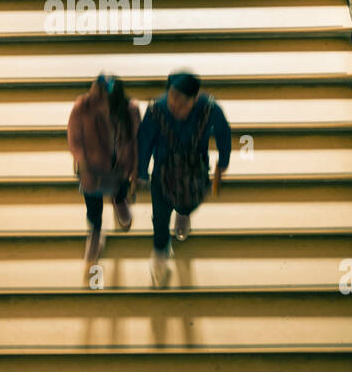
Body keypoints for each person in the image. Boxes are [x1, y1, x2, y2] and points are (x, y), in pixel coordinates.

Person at [136, 70, 231, 288]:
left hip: (195, 171)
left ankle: (183, 213)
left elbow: (224, 134)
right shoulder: (156, 109)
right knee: (159, 217)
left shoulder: (210, 108)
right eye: (172, 98)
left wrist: (222, 162)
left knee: (189, 203)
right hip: (163, 173)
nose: (174, 106)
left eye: (181, 103)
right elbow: (144, 142)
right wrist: (141, 172)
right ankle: (160, 253)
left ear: (194, 98)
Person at [67, 74, 141, 266]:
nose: (99, 105)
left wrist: (135, 168)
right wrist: (84, 165)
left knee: (120, 190)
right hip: (92, 168)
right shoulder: (82, 108)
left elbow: (135, 139)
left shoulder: (130, 109)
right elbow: (74, 140)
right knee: (93, 205)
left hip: (120, 166)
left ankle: (119, 202)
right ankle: (95, 232)